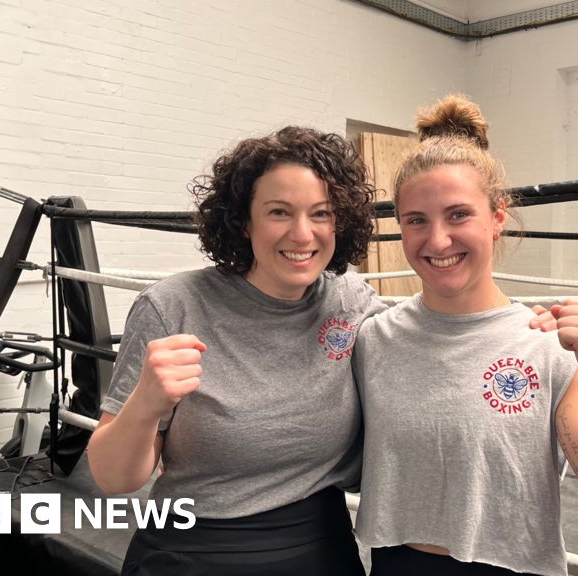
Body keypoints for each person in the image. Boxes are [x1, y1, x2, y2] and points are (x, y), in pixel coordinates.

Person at [352, 95, 578, 576]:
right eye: (417, 220)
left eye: (458, 215)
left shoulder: (547, 346)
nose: (437, 241)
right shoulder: (374, 340)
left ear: (498, 216)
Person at [87, 126, 384, 575]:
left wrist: (524, 326)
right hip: (195, 548)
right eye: (279, 212)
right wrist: (146, 403)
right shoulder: (173, 306)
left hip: (322, 544)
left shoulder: (351, 301)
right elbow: (113, 479)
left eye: (321, 213)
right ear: (244, 221)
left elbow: (432, 337)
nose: (302, 234)